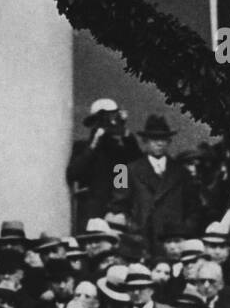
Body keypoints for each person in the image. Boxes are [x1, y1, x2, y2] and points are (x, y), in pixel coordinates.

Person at [110, 114, 199, 256]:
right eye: (154, 139)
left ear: (169, 142)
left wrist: (184, 231)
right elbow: (117, 206)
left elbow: (193, 207)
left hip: (173, 242)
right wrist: (133, 229)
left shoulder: (182, 172)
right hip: (141, 241)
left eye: (163, 139)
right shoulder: (124, 170)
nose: (159, 143)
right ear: (145, 141)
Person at [66, 99, 140, 232]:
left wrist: (126, 136)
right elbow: (74, 173)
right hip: (90, 211)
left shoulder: (119, 152)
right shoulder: (82, 147)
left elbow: (123, 179)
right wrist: (93, 145)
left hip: (111, 212)